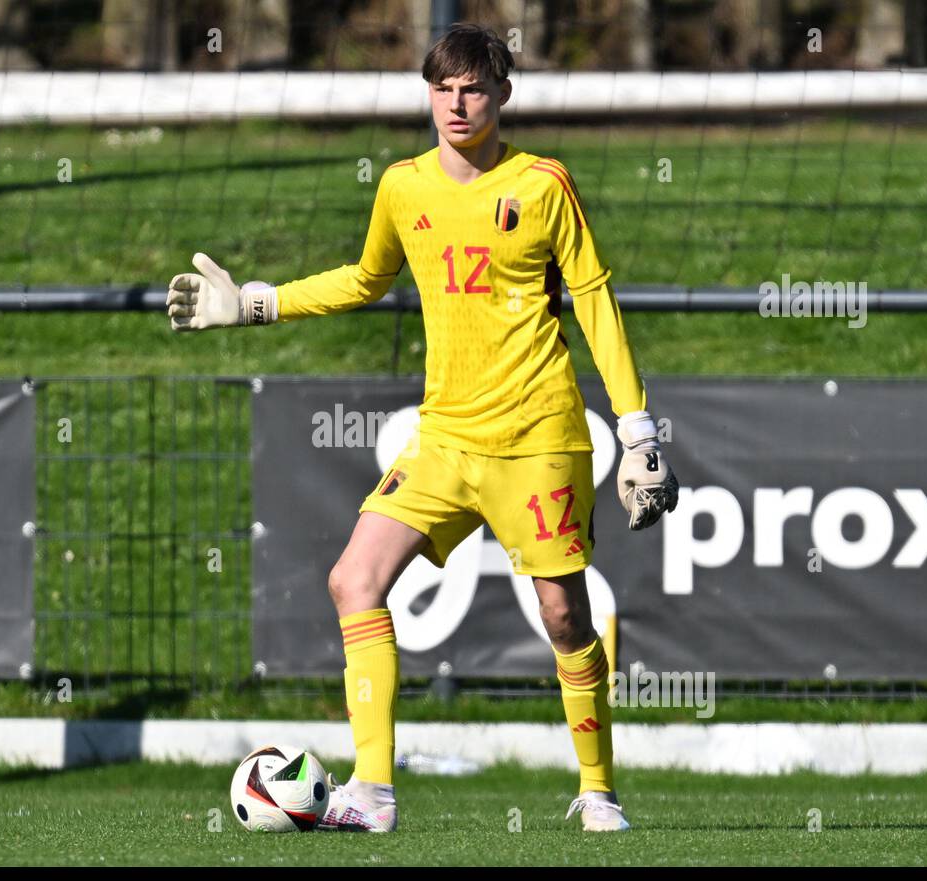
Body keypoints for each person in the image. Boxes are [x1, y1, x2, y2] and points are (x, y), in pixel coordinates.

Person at [166, 23, 678, 833]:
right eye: (442, 87)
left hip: (540, 437)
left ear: (502, 94)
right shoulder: (404, 187)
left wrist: (638, 429)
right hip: (443, 440)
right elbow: (366, 279)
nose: (457, 102)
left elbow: (596, 300)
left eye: (473, 87)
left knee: (563, 617)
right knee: (353, 580)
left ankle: (597, 787)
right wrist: (256, 302)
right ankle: (371, 790)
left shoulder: (543, 184)